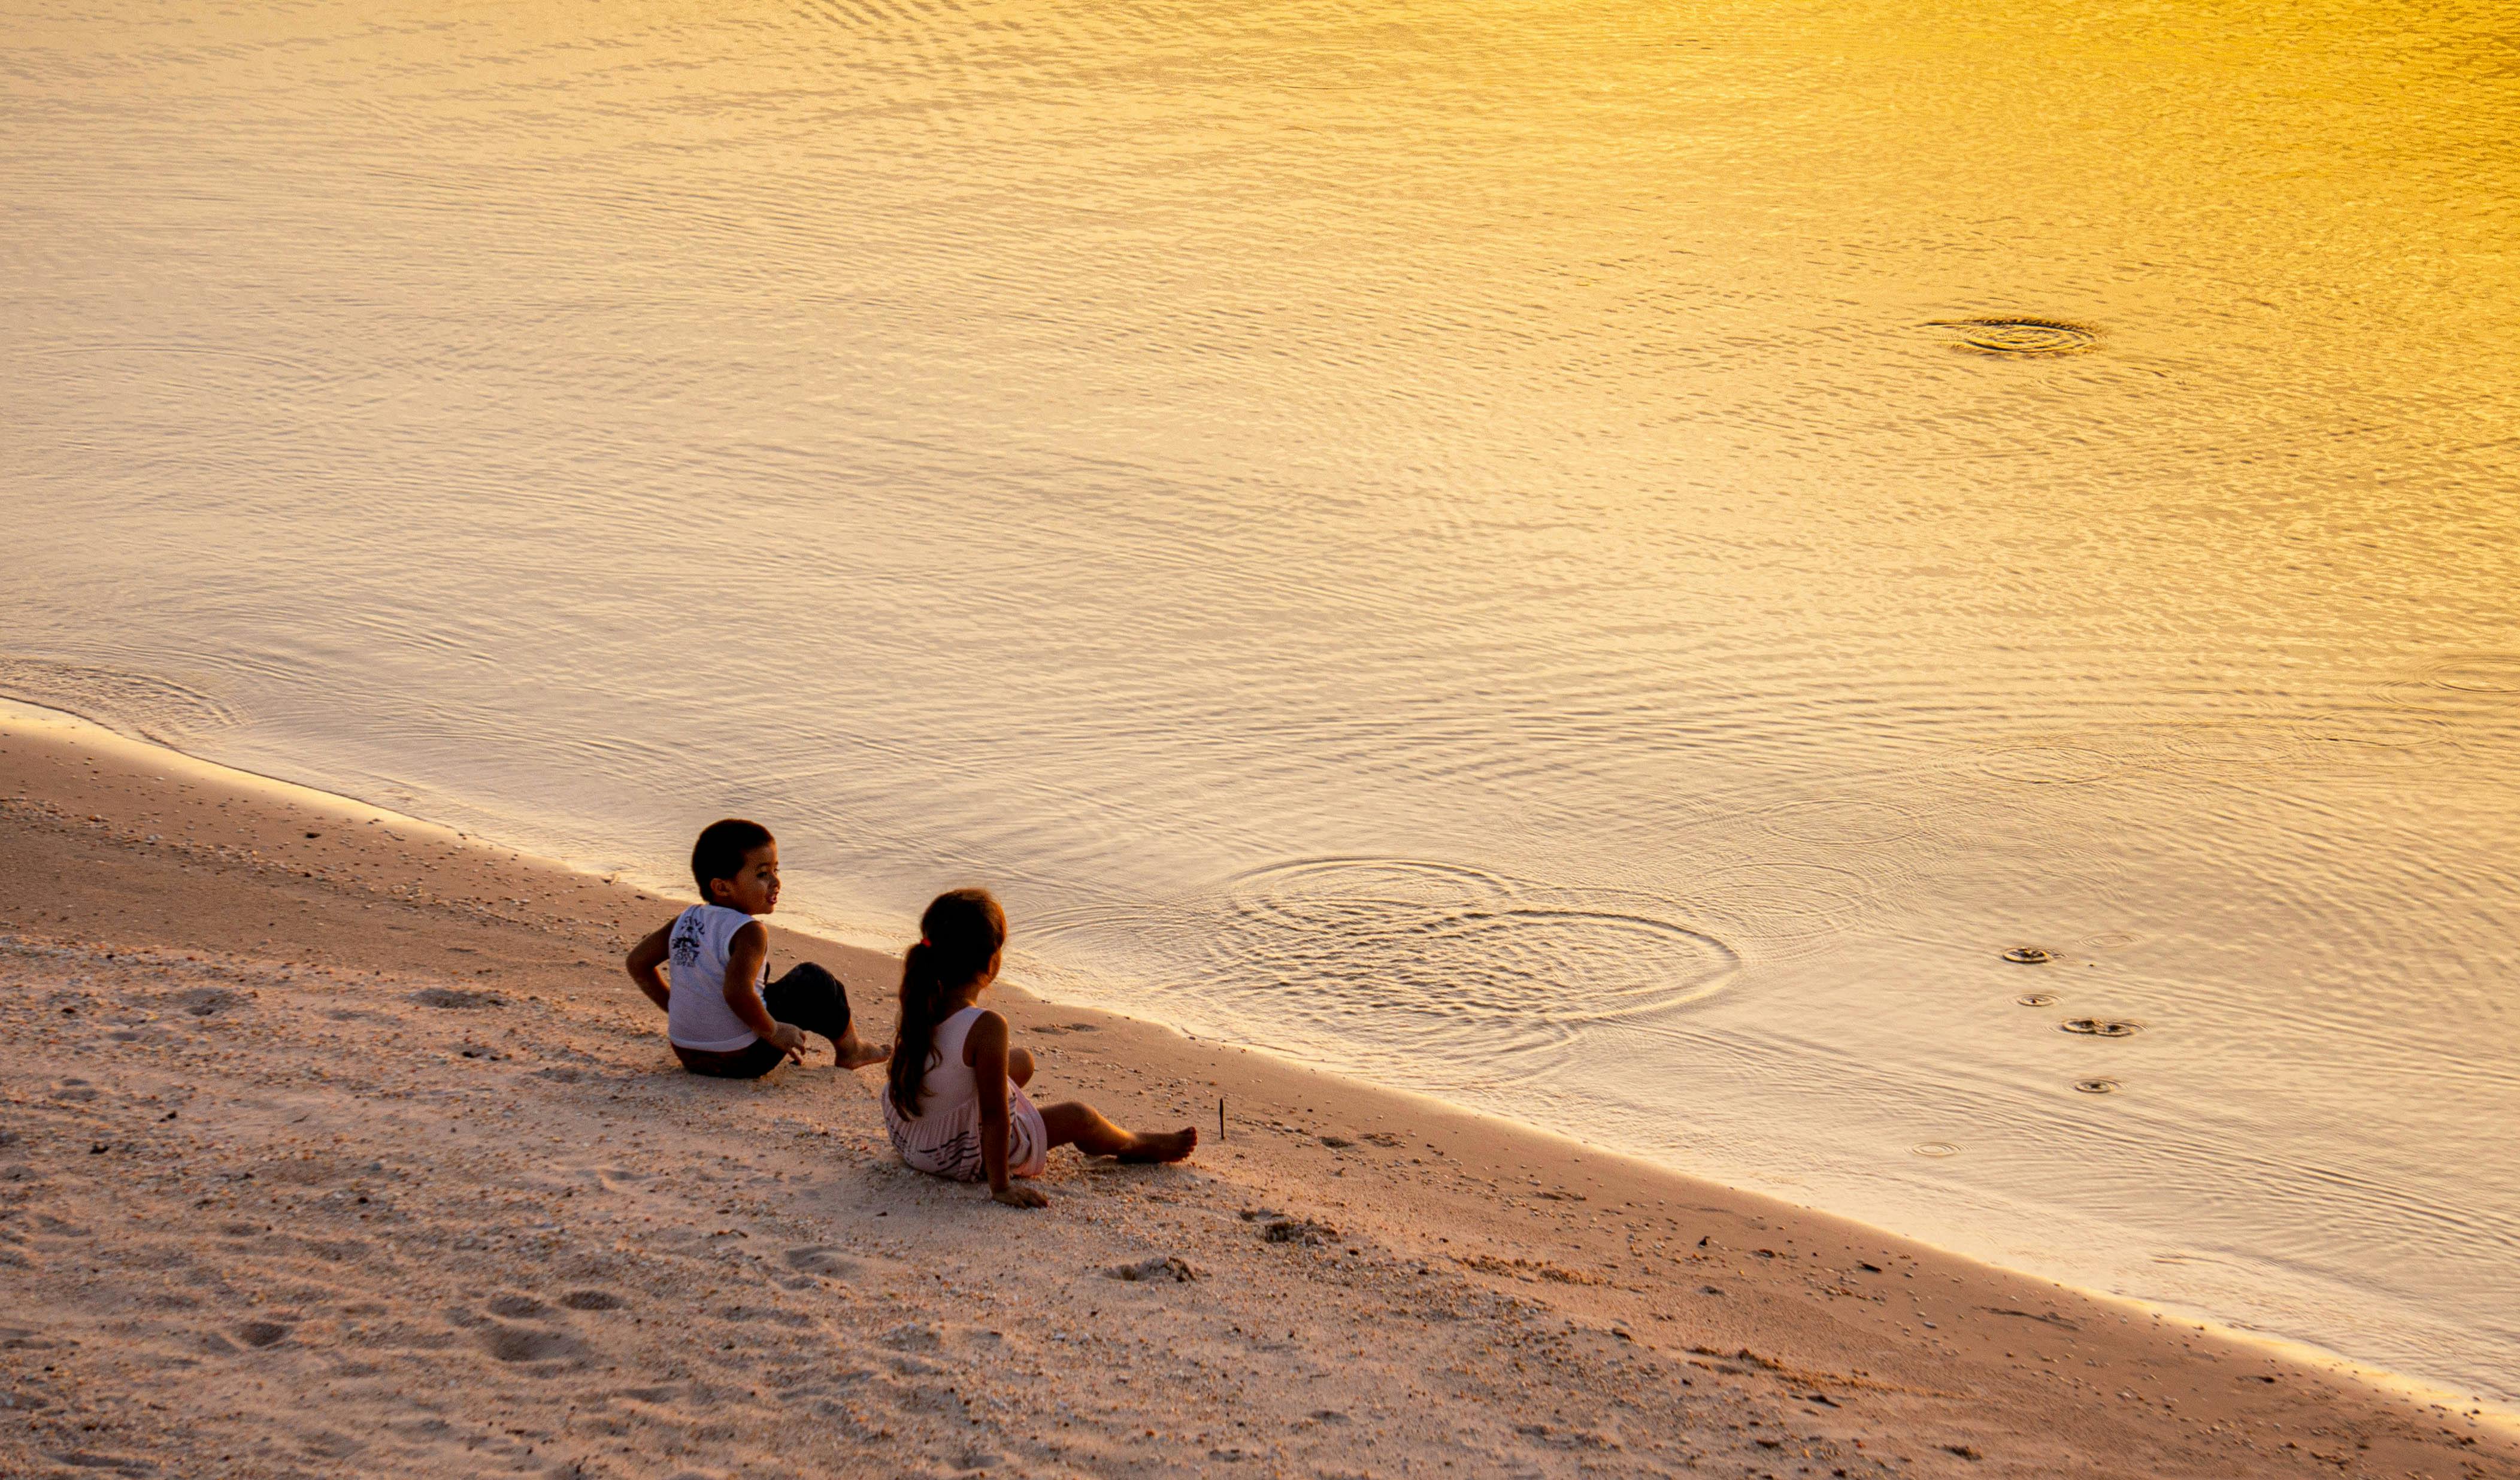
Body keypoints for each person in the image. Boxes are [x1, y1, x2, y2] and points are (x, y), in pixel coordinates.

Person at [884, 887, 1195, 1206]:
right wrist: (1001, 1187)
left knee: (1023, 1062)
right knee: (1079, 1116)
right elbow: (993, 1115)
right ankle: (1134, 1142)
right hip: (952, 1153)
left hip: (911, 1140)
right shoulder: (987, 1026)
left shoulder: (922, 1001)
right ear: (991, 962)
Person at [624, 818, 889, 1079]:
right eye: (762, 874)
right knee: (815, 981)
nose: (776, 882)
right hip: (742, 1058)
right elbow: (736, 992)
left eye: (776, 870)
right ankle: (852, 1050)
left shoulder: (685, 921)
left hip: (688, 1051)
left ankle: (711, 1027)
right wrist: (774, 1031)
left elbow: (637, 962)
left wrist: (679, 1008)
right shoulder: (749, 931)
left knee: (754, 976)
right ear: (722, 887)